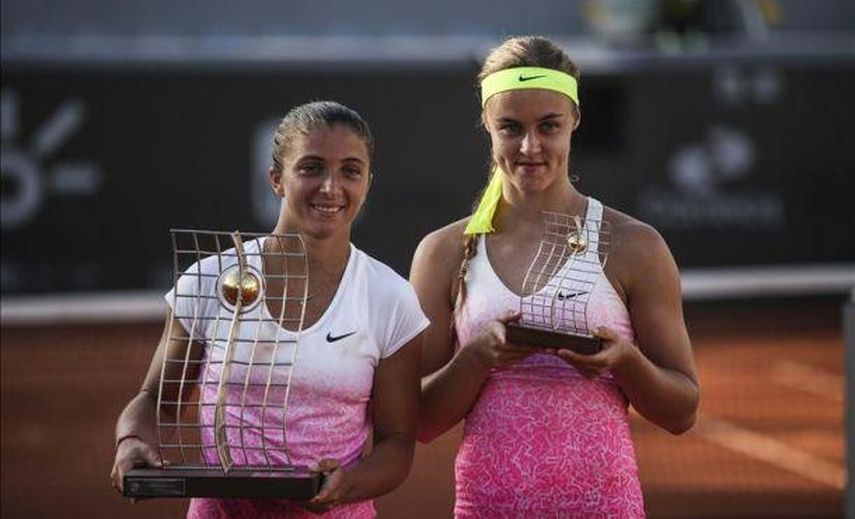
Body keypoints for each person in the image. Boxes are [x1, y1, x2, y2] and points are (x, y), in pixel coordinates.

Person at [411, 36, 700, 517]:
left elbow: (682, 410)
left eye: (549, 126)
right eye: (510, 127)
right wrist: (480, 356)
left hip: (604, 506)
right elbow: (418, 419)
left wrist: (624, 361)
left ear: (575, 122)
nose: (530, 147)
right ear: (486, 124)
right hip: (488, 506)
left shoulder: (635, 246)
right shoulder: (442, 253)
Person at [110, 101, 428, 518]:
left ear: (367, 182)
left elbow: (397, 443)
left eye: (350, 171)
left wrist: (347, 484)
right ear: (277, 179)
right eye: (311, 168)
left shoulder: (390, 296)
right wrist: (130, 440)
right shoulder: (208, 279)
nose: (331, 187)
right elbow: (156, 398)